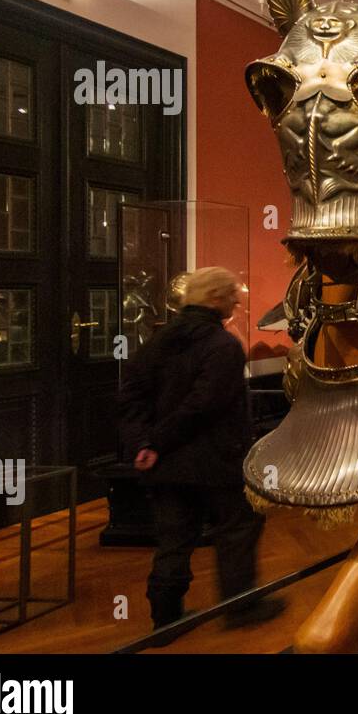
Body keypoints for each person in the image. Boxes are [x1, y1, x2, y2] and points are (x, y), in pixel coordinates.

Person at [117, 266, 284, 637]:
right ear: (215, 299)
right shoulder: (222, 346)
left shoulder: (158, 342)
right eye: (231, 296)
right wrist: (155, 441)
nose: (237, 301)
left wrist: (144, 444)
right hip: (217, 460)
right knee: (239, 527)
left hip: (167, 463)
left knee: (174, 537)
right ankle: (239, 607)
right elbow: (203, 405)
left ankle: (165, 618)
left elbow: (132, 395)